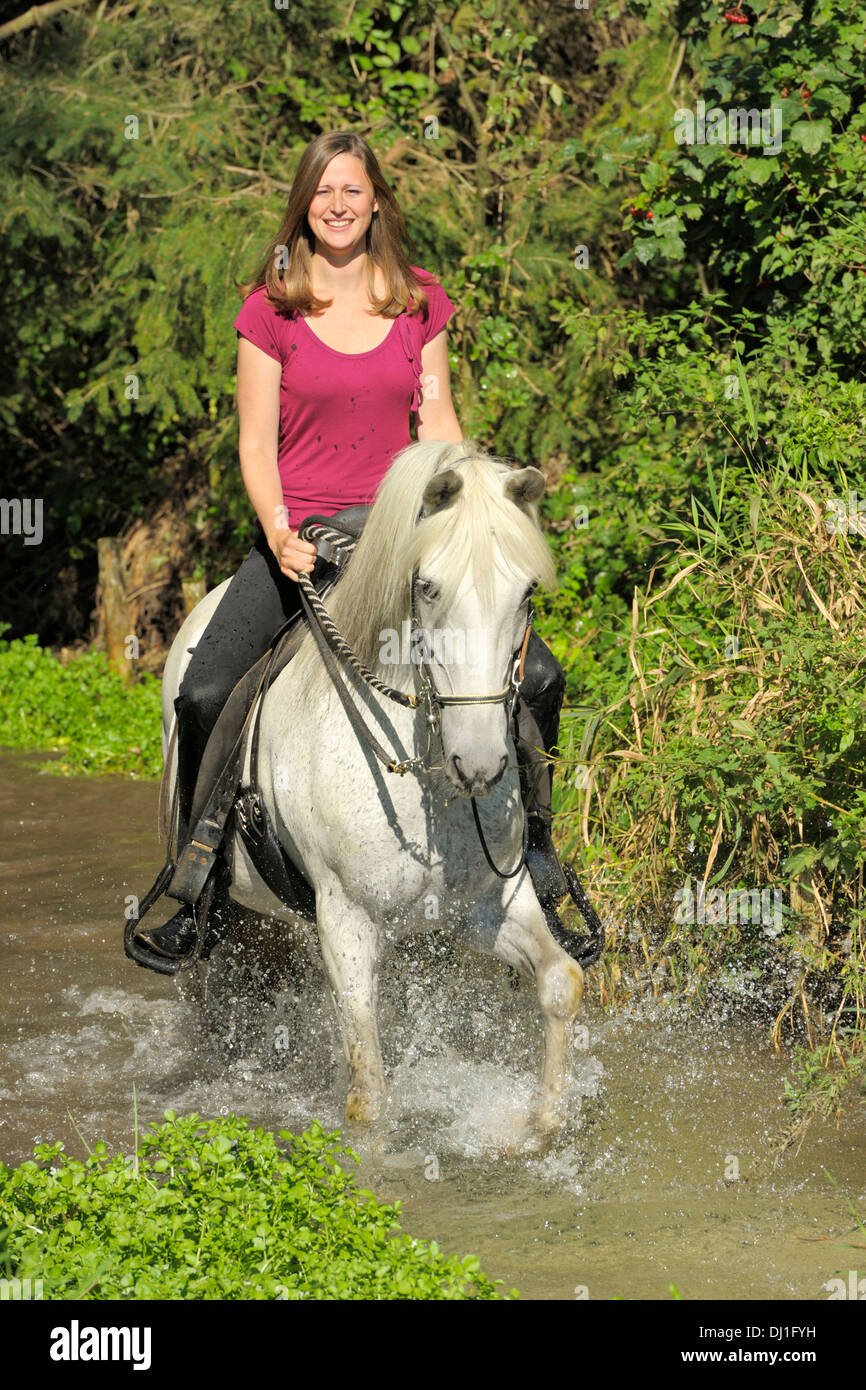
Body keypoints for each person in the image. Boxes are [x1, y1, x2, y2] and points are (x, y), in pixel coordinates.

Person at [134, 130, 568, 966]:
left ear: (376, 203)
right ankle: (195, 879)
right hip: (303, 538)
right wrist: (276, 530)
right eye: (323, 190)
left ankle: (536, 856)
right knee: (203, 687)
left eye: (353, 190)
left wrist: (476, 499)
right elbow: (256, 445)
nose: (338, 204)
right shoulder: (271, 310)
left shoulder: (417, 302)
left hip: (405, 535)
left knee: (539, 675)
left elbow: (437, 425)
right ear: (305, 203)